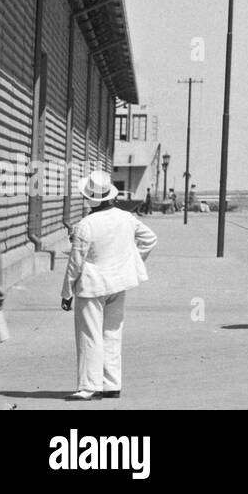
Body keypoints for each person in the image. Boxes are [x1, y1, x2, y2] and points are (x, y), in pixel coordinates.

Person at [60, 171, 157, 399]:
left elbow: (75, 263)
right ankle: (112, 384)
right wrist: (131, 261)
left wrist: (66, 293)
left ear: (89, 199)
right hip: (118, 284)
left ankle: (89, 387)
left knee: (89, 335)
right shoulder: (126, 217)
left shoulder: (86, 225)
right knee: (112, 333)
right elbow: (150, 239)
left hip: (92, 287)